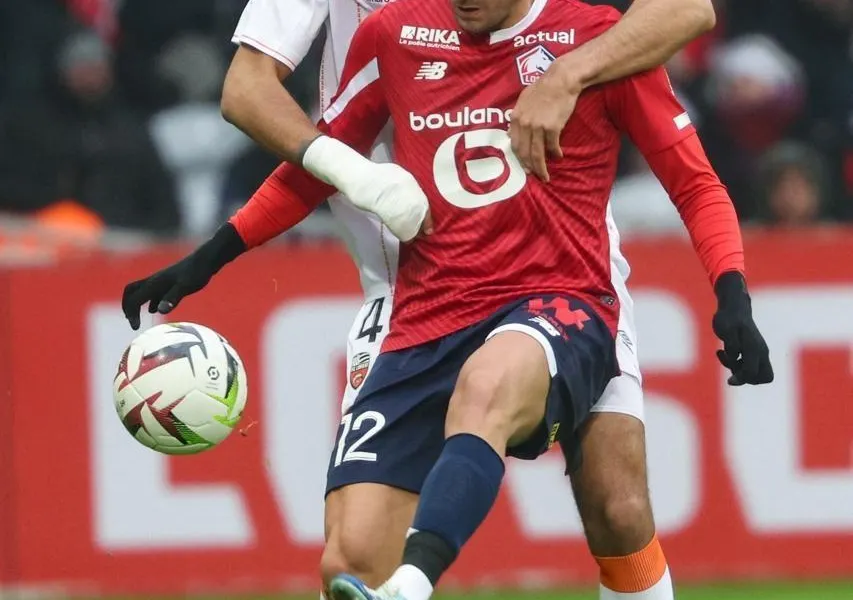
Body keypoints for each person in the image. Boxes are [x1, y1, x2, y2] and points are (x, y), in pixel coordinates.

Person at [120, 4, 731, 600]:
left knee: (615, 505)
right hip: (414, 299)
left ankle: (412, 584)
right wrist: (213, 254)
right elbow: (262, 104)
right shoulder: (395, 34)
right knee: (351, 559)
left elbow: (688, 13)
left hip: (563, 286)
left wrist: (566, 73)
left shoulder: (594, 36)